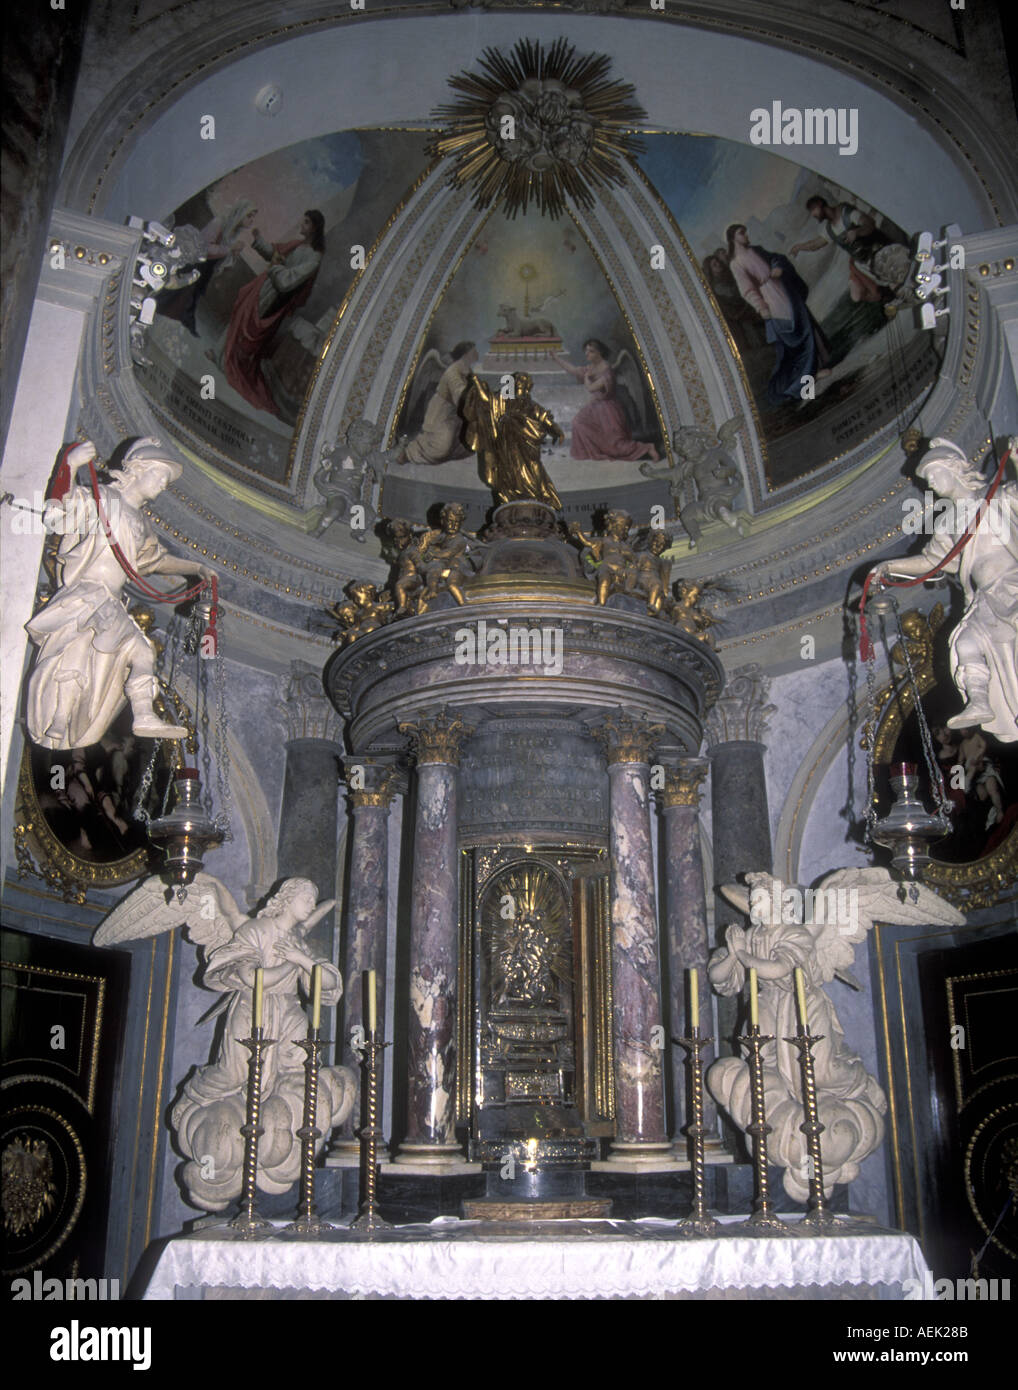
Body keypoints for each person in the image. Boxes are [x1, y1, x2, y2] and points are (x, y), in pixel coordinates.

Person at [170, 878, 354, 1209]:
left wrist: (301, 958)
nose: (311, 906)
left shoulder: (297, 940)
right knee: (234, 1076)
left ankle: (278, 1141)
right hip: (252, 1011)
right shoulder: (255, 930)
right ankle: (195, 1100)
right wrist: (290, 962)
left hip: (289, 1013)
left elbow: (327, 984)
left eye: (314, 900)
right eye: (307, 899)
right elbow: (252, 978)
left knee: (299, 1075)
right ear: (287, 900)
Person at [25, 439, 210, 749]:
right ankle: (69, 716)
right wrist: (70, 465)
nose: (164, 486)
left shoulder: (141, 523)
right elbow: (58, 514)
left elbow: (154, 561)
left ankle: (134, 715)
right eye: (161, 477)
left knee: (136, 651)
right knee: (121, 649)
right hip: (88, 591)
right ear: (139, 470)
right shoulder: (104, 500)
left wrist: (197, 568)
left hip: (110, 599)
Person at [870, 438, 1018, 742]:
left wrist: (1015, 459)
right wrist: (887, 567)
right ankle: (978, 701)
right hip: (984, 597)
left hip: (1012, 584)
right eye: (929, 480)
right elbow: (931, 561)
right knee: (964, 643)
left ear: (954, 469)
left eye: (935, 475)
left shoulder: (996, 498)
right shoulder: (947, 522)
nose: (932, 485)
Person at [210, 209, 325, 415]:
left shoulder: (314, 258)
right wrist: (259, 240)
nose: (302, 225)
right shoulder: (298, 245)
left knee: (248, 328)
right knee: (239, 316)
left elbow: (287, 281)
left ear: (315, 227)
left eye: (306, 222)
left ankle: (231, 363)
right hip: (263, 287)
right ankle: (220, 353)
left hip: (273, 297)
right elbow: (275, 255)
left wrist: (275, 267)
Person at [726, 223, 830, 407]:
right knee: (793, 339)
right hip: (770, 297)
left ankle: (819, 365)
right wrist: (761, 307)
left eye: (745, 231)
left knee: (805, 327)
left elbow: (776, 258)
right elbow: (747, 290)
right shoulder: (736, 263)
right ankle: (805, 380)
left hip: (783, 290)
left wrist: (777, 266)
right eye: (742, 233)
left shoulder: (756, 250)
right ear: (733, 238)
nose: (746, 235)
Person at [463, 372, 564, 509]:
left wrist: (558, 431)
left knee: (533, 469)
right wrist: (476, 382)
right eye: (517, 379)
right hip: (507, 444)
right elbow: (487, 401)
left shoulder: (533, 406)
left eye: (523, 379)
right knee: (509, 471)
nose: (519, 381)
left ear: (528, 385)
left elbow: (546, 420)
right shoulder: (503, 400)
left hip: (529, 444)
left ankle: (536, 496)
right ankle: (511, 497)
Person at [157, 200, 257, 335]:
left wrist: (232, 253)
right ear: (241, 213)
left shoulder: (234, 231)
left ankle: (183, 318)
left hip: (207, 267)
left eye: (253, 217)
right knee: (178, 289)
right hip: (196, 261)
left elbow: (223, 254)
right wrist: (230, 249)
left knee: (195, 293)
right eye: (249, 216)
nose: (251, 220)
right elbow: (204, 247)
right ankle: (161, 308)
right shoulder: (219, 223)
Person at [552, 339, 659, 461]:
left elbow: (592, 388)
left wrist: (587, 378)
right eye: (586, 351)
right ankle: (596, 449)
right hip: (595, 409)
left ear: (600, 352)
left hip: (609, 412)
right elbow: (573, 370)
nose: (587, 354)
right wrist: (556, 358)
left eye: (591, 351)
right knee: (578, 423)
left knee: (617, 446)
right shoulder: (590, 368)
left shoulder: (607, 370)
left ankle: (648, 447)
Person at [790, 197, 894, 303]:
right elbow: (815, 245)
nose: (812, 214)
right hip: (864, 262)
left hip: (879, 250)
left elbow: (869, 223)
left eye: (813, 209)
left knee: (890, 280)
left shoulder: (846, 212)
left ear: (820, 204)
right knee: (856, 294)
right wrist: (798, 247)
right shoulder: (830, 230)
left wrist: (857, 232)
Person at [401, 342, 478, 465]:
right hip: (442, 413)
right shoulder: (453, 371)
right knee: (441, 448)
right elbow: (459, 395)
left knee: (469, 442)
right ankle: (407, 454)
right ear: (465, 354)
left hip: (455, 414)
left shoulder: (467, 370)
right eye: (473, 351)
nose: (476, 353)